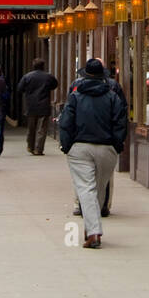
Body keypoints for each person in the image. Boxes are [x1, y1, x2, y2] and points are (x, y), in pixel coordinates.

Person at [59, 58, 127, 248]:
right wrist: (116, 145)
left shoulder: (75, 95)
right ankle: (92, 230)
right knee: (98, 188)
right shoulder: (113, 96)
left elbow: (66, 122)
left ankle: (94, 232)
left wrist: (67, 146)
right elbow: (120, 122)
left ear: (85, 75)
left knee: (86, 189)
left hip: (80, 147)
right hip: (107, 148)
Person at [17, 58, 58, 156]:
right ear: (43, 66)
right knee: (42, 128)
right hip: (44, 105)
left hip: (31, 105)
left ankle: (30, 146)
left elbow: (20, 88)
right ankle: (38, 149)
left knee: (31, 127)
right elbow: (54, 85)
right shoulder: (48, 77)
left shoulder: (27, 77)